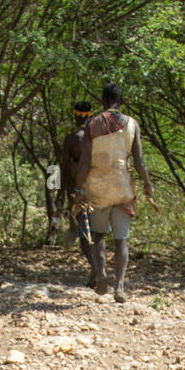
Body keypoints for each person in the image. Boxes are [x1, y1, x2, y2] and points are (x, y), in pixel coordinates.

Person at [72, 82, 158, 303]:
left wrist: (78, 189)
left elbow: (84, 162)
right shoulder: (132, 124)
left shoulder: (91, 123)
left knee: (99, 235)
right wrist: (147, 184)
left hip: (97, 187)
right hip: (122, 187)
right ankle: (120, 286)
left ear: (102, 101)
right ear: (121, 102)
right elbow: (139, 159)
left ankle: (101, 274)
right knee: (121, 240)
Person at [58, 101, 96, 286]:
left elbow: (64, 167)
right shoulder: (99, 138)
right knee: (99, 233)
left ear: (75, 116)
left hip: (79, 191)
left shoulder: (72, 139)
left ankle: (96, 268)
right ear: (91, 115)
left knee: (84, 233)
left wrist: (60, 191)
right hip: (101, 190)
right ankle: (99, 269)